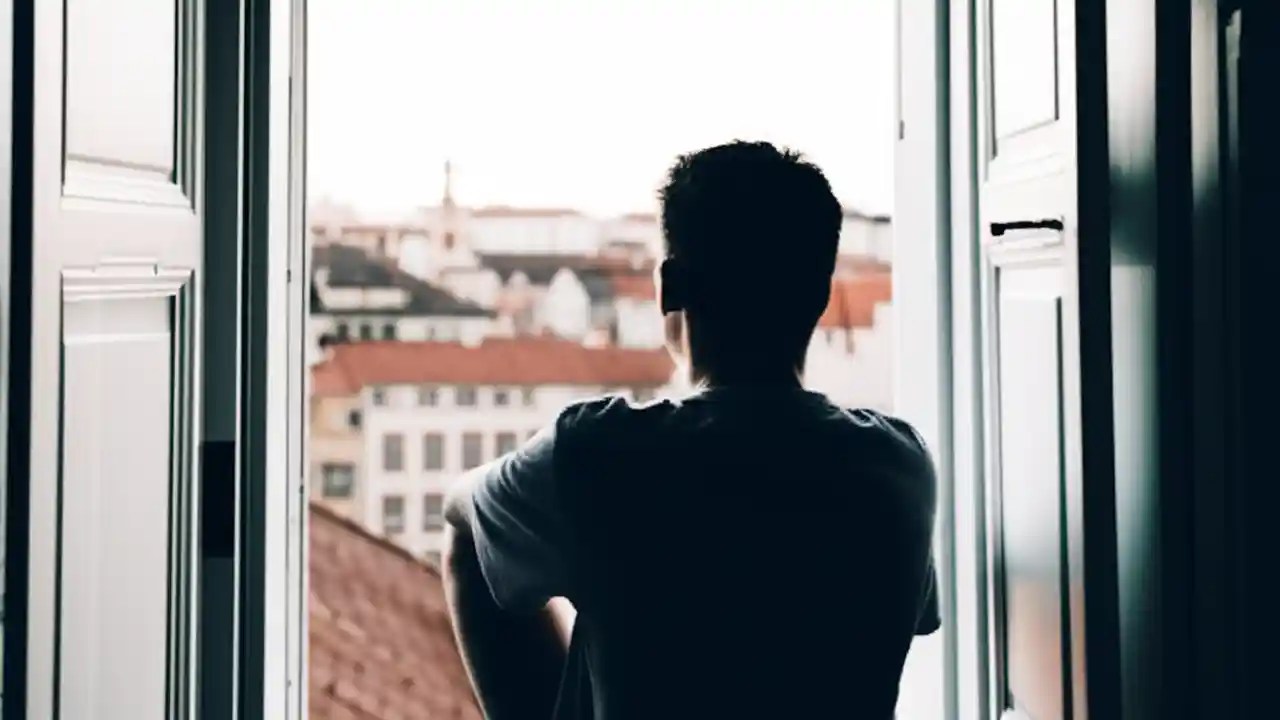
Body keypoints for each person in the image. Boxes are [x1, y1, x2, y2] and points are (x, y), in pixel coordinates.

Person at [442, 141, 940, 720]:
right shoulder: (897, 465)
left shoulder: (603, 455)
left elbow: (464, 519)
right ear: (821, 293)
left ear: (669, 286)